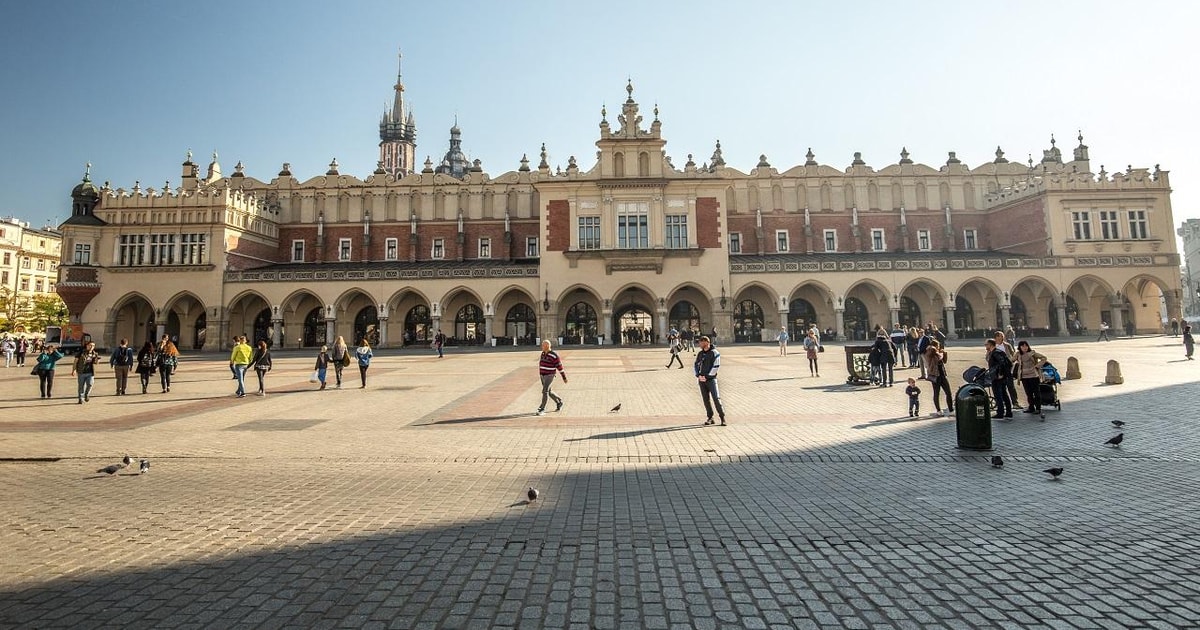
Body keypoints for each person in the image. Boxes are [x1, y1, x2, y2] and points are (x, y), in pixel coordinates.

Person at [694, 336, 726, 426]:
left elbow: (716, 366)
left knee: (716, 398)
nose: (699, 344)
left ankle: (722, 417)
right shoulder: (700, 353)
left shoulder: (714, 353)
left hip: (711, 380)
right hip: (702, 380)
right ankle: (710, 417)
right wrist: (698, 375)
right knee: (706, 399)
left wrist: (708, 376)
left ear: (706, 342)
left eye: (700, 342)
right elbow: (696, 364)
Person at [1014, 341, 1049, 414]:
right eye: (1022, 346)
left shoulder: (1032, 353)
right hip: (1024, 376)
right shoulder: (1018, 354)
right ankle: (1031, 407)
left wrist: (1037, 366)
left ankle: (1038, 408)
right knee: (1028, 393)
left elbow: (1044, 358)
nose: (1024, 348)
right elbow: (1011, 360)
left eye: (1026, 346)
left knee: (1036, 393)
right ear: (1020, 347)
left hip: (1033, 375)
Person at [536, 339, 567, 415]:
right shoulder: (543, 353)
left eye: (543, 345)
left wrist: (564, 377)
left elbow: (560, 367)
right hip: (542, 375)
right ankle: (559, 401)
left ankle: (542, 408)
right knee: (549, 392)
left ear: (547, 346)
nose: (541, 346)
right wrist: (540, 374)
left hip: (550, 375)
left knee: (545, 391)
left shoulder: (554, 355)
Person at [923, 340, 953, 417]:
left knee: (948, 392)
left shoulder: (937, 353)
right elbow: (935, 353)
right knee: (936, 393)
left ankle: (951, 409)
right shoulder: (930, 352)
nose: (938, 348)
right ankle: (938, 410)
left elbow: (944, 361)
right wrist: (936, 350)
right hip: (935, 375)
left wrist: (944, 353)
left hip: (942, 374)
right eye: (938, 346)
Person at [985, 339, 1013, 419]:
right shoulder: (996, 352)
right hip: (1001, 376)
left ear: (990, 345)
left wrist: (1000, 373)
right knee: (1004, 394)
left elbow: (1002, 363)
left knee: (998, 395)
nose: (985, 346)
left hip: (997, 377)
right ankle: (1008, 412)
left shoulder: (995, 353)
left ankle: (1000, 412)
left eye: (986, 345)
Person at [994, 331, 1020, 409]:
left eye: (1001, 336)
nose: (1000, 338)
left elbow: (1014, 354)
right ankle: (1003, 403)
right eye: (998, 336)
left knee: (1010, 386)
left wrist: (1012, 361)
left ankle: (1015, 403)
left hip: (1008, 368)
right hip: (998, 370)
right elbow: (988, 357)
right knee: (1001, 387)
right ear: (995, 338)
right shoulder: (993, 346)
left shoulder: (1007, 345)